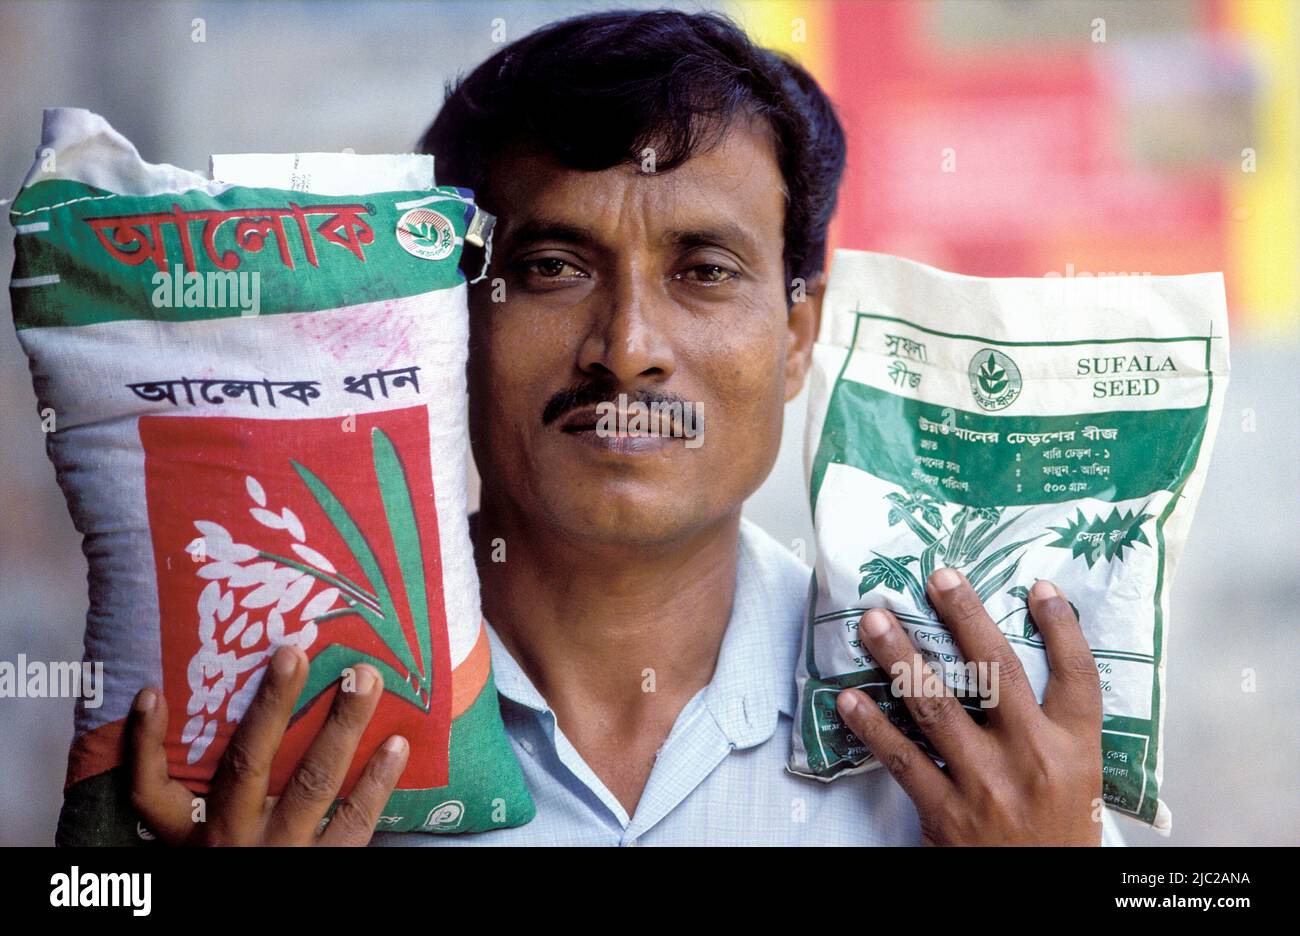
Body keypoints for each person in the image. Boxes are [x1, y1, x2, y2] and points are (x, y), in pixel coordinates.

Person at [126, 9, 1120, 846]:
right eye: (555, 266)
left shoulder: (969, 738)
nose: (628, 347)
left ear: (795, 336)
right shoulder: (268, 704)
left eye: (704, 271)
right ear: (445, 320)